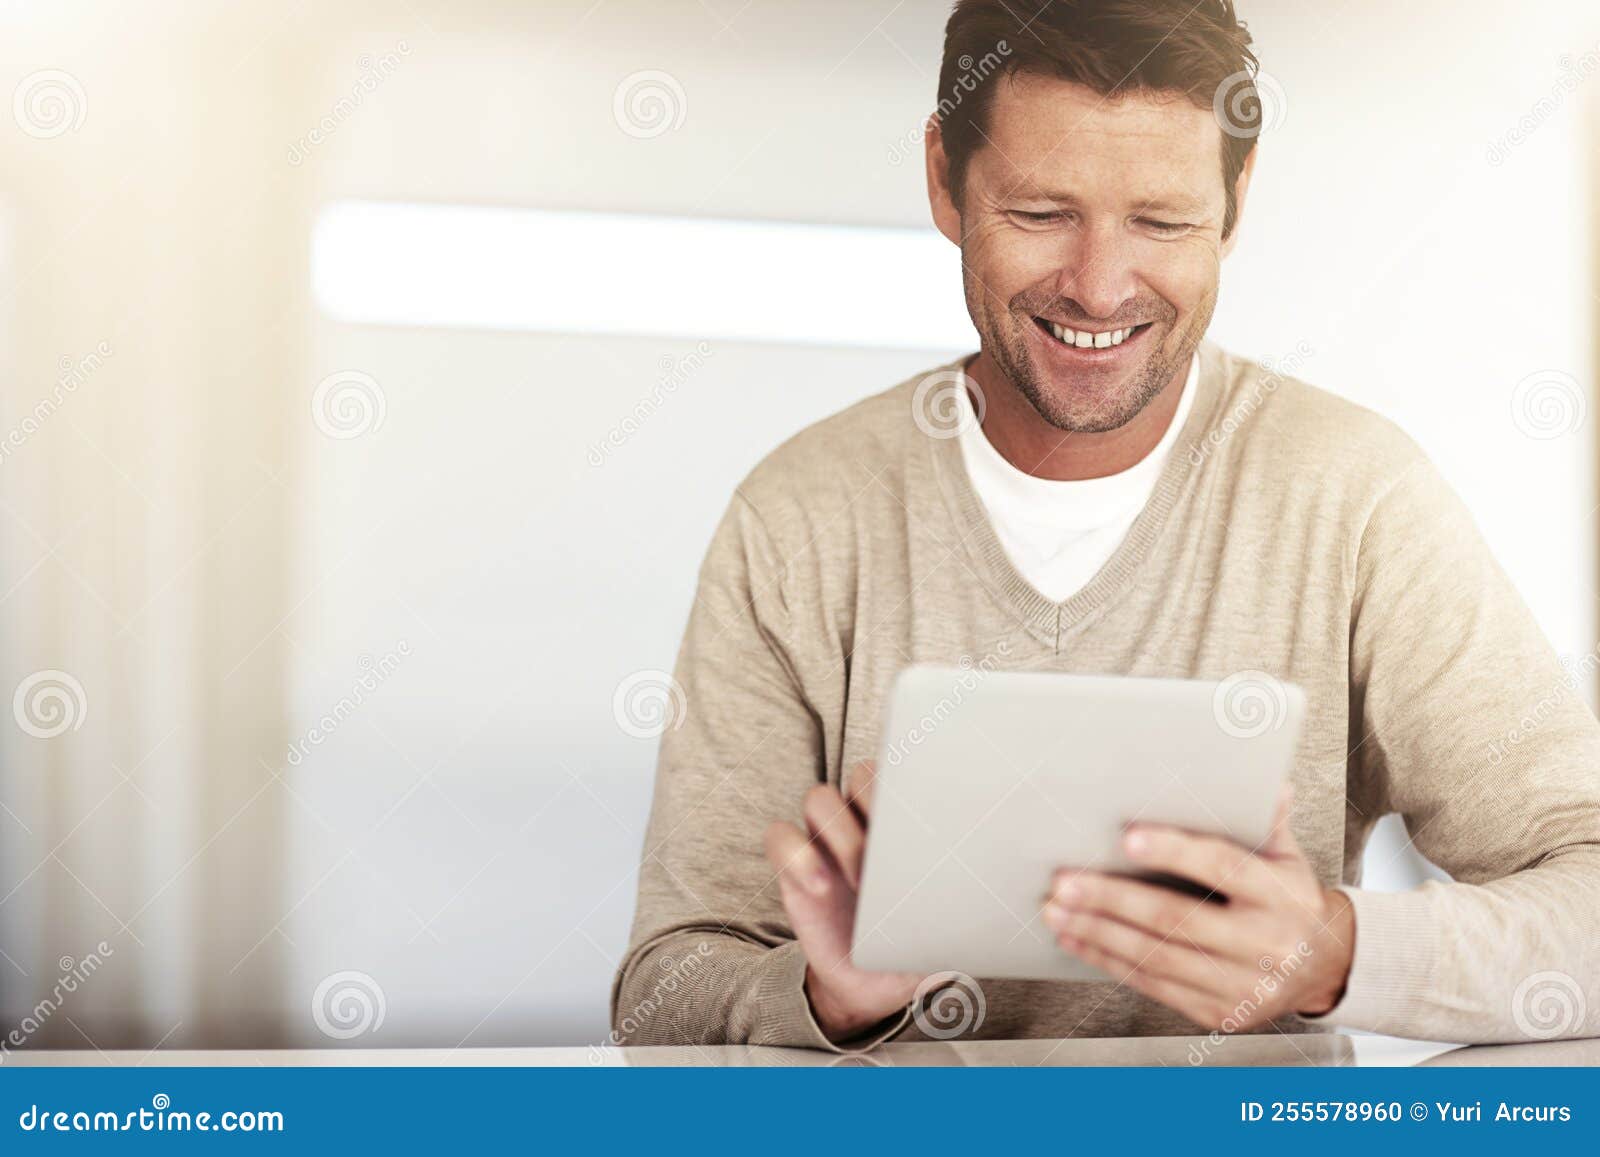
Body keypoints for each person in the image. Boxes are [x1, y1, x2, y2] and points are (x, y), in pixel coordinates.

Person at [611, 0, 1600, 1050]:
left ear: (1235, 200)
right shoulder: (802, 515)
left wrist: (1331, 951)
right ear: (944, 178)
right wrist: (828, 992)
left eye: (1161, 222)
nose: (1099, 285)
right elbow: (663, 989)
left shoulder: (1354, 499)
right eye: (1040, 213)